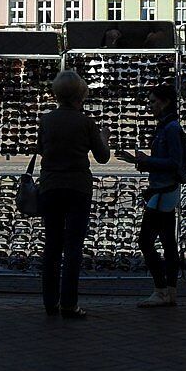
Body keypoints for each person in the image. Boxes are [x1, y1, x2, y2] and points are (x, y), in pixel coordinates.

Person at [37, 71, 110, 319]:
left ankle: (49, 301)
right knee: (73, 246)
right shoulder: (86, 122)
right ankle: (69, 303)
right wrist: (104, 138)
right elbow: (102, 157)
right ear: (81, 93)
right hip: (78, 186)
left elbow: (40, 149)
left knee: (52, 244)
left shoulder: (45, 120)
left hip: (50, 185)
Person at [118, 83, 186, 308]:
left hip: (163, 192)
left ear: (165, 102)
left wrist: (142, 160)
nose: (150, 106)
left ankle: (161, 289)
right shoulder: (166, 127)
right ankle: (170, 291)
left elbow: (174, 163)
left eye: (153, 101)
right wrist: (142, 161)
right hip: (163, 189)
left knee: (145, 241)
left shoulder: (170, 128)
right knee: (167, 242)